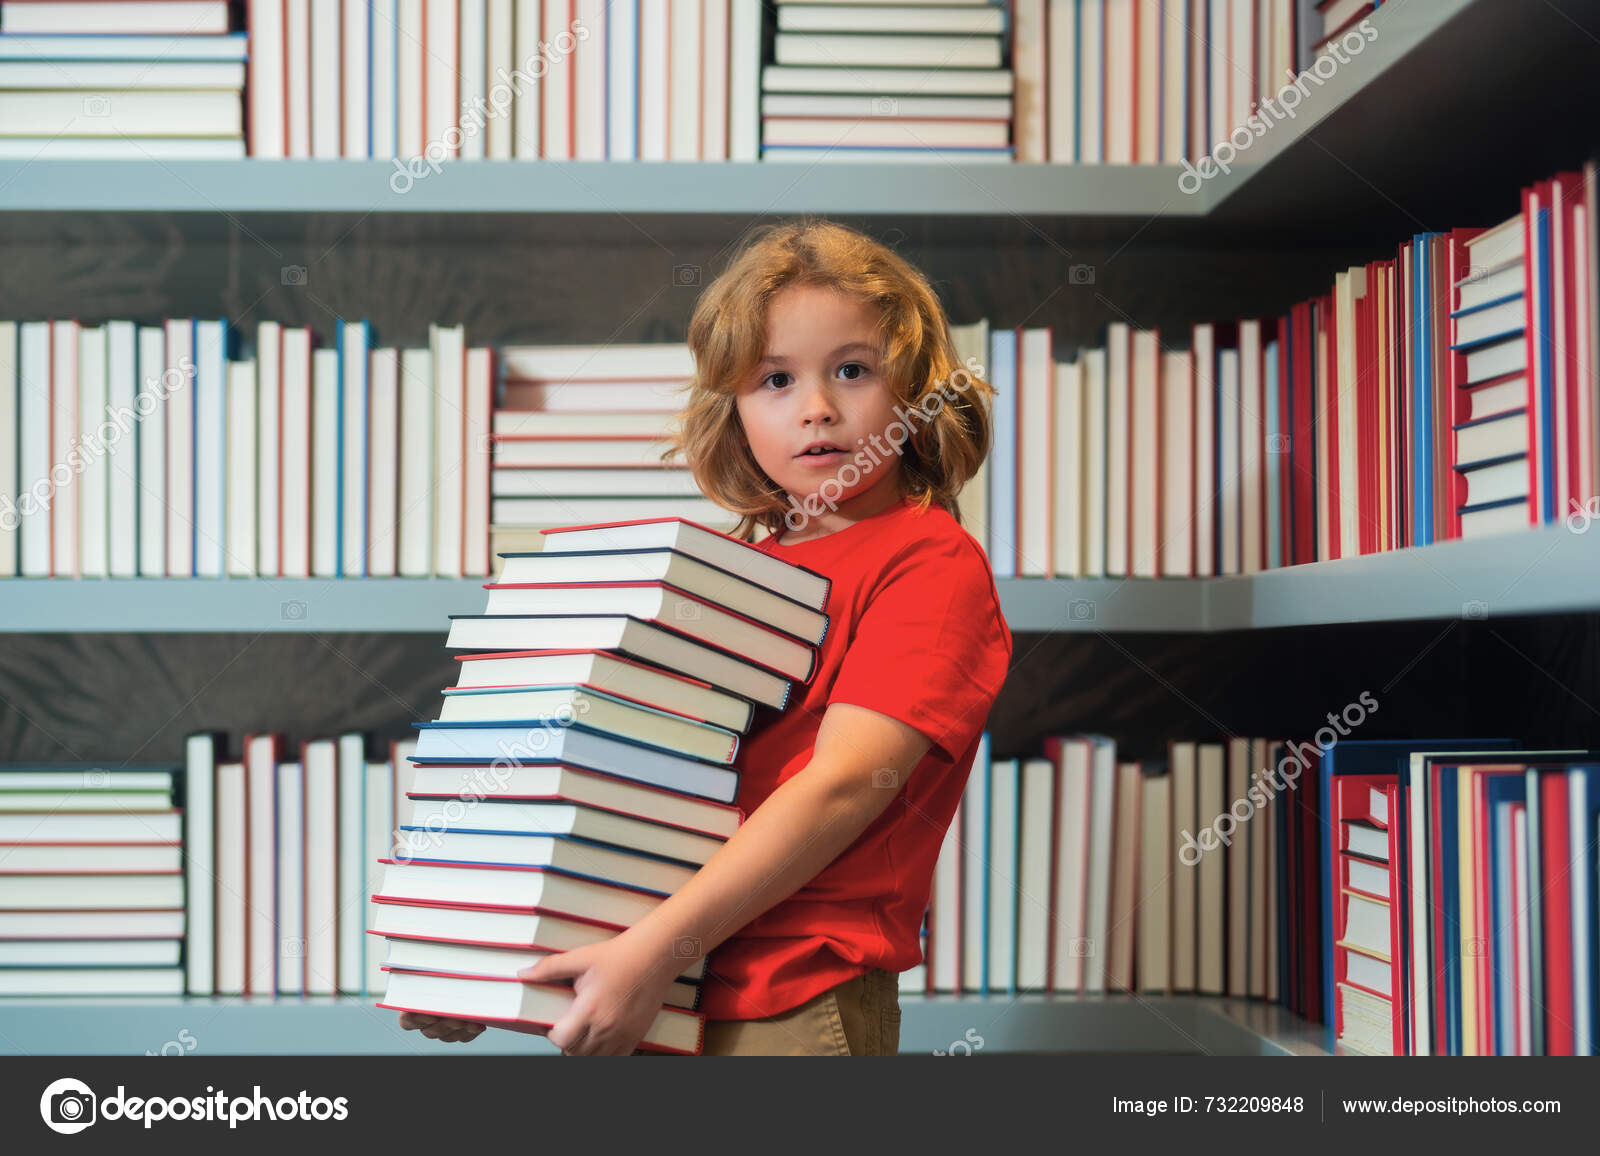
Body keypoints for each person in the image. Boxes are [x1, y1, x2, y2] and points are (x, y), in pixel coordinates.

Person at [399, 218, 1013, 1055]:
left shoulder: (930, 560)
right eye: (774, 380)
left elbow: (841, 786)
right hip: (653, 991)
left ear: (915, 393)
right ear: (732, 408)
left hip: (792, 999)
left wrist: (654, 951)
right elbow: (611, 775)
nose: (818, 409)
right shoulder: (726, 568)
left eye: (853, 370)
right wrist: (493, 957)